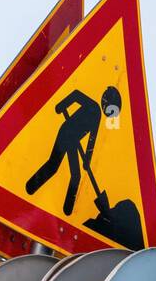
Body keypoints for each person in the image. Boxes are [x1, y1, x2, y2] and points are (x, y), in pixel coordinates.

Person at [25, 86, 122, 214]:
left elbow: (92, 139)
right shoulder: (93, 107)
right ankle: (30, 188)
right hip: (66, 133)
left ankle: (67, 211)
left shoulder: (97, 116)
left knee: (74, 175)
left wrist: (87, 159)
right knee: (54, 165)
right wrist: (61, 105)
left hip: (73, 141)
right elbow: (76, 95)